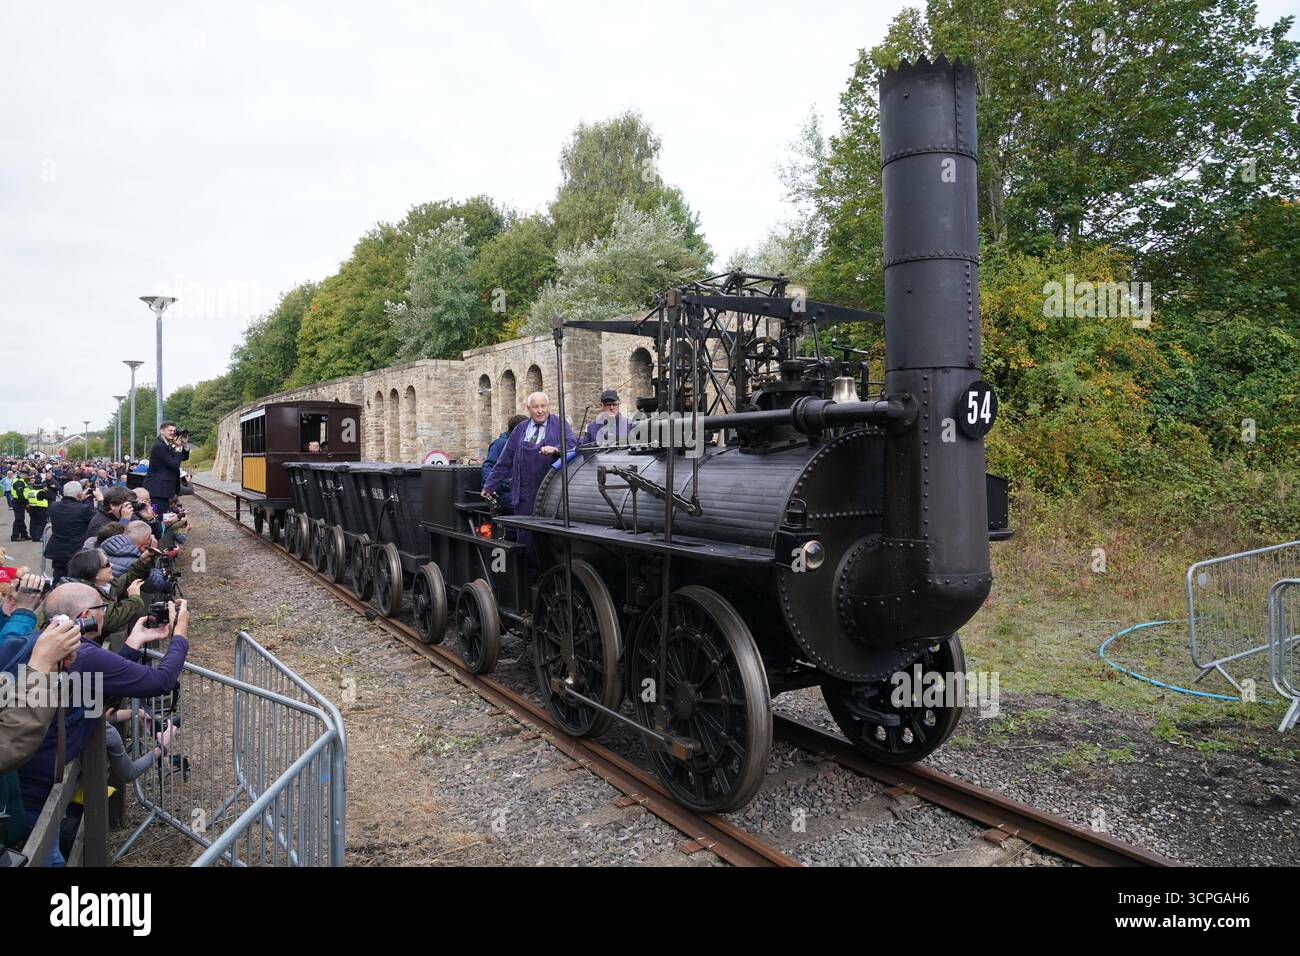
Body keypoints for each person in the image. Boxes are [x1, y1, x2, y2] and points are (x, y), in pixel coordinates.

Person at [482, 392, 577, 573]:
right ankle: (529, 579)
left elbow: (573, 446)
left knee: (549, 539)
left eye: (543, 406)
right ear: (528, 409)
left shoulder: (560, 425)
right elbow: (504, 460)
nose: (540, 410)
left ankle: (550, 577)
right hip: (524, 494)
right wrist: (489, 485)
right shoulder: (520, 430)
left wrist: (556, 449)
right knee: (526, 538)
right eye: (536, 407)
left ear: (548, 407)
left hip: (552, 493)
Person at [45, 481, 96, 582]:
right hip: (76, 550)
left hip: (58, 550)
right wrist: (100, 500)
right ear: (79, 494)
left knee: (58, 578)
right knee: (76, 580)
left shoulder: (54, 506)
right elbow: (96, 520)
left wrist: (80, 500)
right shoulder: (84, 509)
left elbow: (72, 512)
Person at [482, 414, 527, 508]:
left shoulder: (523, 443)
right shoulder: (499, 444)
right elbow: (488, 466)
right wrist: (493, 486)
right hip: (504, 492)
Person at [143, 421, 189, 503]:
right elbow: (174, 464)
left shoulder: (167, 445)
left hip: (161, 490)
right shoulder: (159, 446)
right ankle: (156, 511)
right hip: (157, 491)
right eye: (170, 431)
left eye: (174, 431)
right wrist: (178, 447)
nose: (173, 433)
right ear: (162, 431)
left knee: (160, 510)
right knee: (157, 510)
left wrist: (184, 444)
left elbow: (183, 457)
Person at [9, 470, 29, 541]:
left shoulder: (20, 481)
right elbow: (20, 494)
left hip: (18, 502)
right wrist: (26, 503)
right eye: (26, 475)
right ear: (22, 475)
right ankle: (14, 536)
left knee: (21, 519)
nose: (27, 476)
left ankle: (24, 534)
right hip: (18, 502)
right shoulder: (19, 482)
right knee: (18, 519)